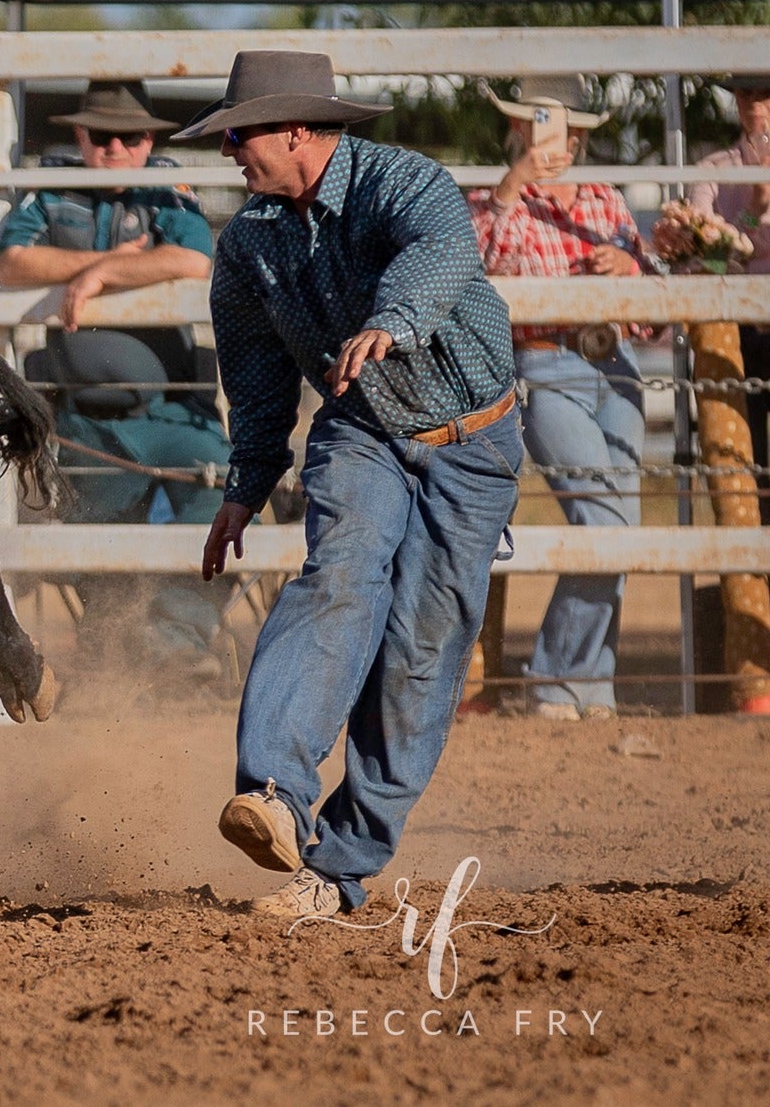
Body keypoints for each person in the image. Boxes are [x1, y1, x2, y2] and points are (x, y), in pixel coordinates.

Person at [193, 51, 522, 920]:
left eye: (239, 134)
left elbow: (445, 247)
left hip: (473, 444)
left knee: (422, 650)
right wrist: (245, 484)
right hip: (361, 427)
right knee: (339, 573)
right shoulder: (247, 248)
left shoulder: (403, 180)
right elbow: (258, 378)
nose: (231, 151)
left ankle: (336, 872)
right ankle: (273, 790)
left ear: (296, 130)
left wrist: (392, 320)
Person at [0, 81, 228, 679]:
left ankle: (175, 643)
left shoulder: (171, 195)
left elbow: (195, 259)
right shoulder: (51, 192)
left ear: (150, 140)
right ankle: (116, 657)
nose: (116, 146)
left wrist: (97, 276)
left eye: (130, 136)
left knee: (228, 486)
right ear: (81, 138)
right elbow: (14, 263)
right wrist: (120, 265)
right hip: (80, 423)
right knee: (93, 535)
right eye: (101, 135)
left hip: (174, 415)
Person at [468, 78, 652, 722]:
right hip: (545, 361)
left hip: (616, 364)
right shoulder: (492, 201)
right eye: (550, 127)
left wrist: (630, 271)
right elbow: (480, 272)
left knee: (617, 528)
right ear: (520, 130)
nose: (564, 141)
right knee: (606, 524)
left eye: (573, 131)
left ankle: (589, 686)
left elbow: (654, 304)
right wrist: (514, 186)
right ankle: (555, 680)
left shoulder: (604, 199)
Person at [688, 73, 770, 524]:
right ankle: (752, 584)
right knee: (739, 466)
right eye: (745, 92)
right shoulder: (713, 170)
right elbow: (706, 261)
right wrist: (752, 211)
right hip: (734, 336)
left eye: (764, 93)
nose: (754, 102)